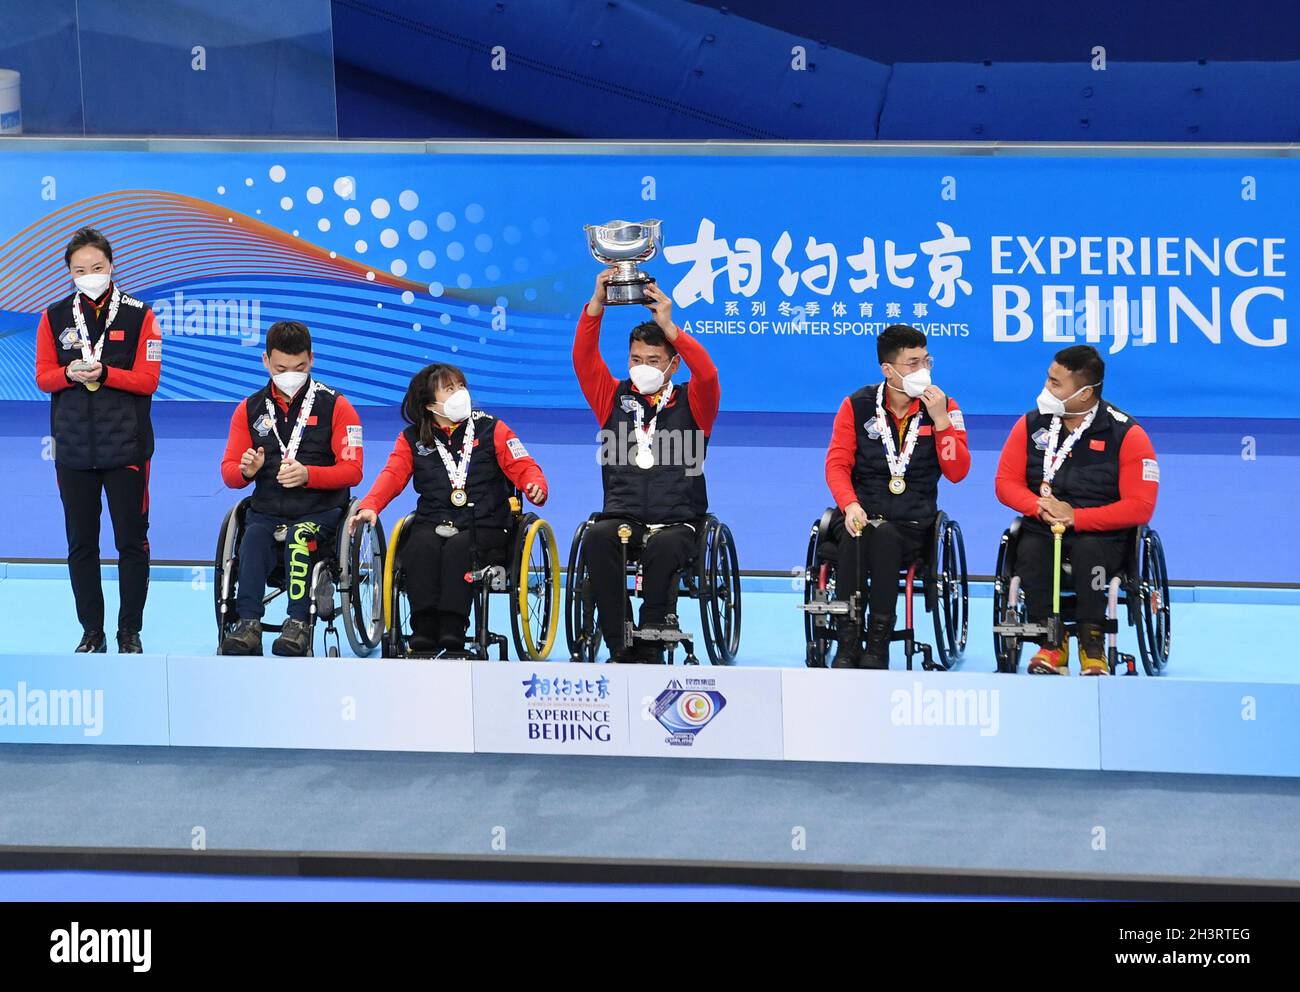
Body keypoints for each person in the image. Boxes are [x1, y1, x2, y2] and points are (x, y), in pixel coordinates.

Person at [573, 268, 720, 663]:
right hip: (622, 515)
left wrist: (670, 327)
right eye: (636, 359)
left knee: (665, 547)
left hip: (678, 520)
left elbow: (707, 372)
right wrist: (597, 305)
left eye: (654, 360)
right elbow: (584, 359)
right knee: (598, 538)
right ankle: (620, 641)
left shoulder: (695, 402)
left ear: (673, 364)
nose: (643, 367)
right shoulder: (611, 397)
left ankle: (651, 637)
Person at [351, 363, 548, 656]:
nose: (460, 393)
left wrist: (534, 485)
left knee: (460, 548)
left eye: (460, 386)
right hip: (433, 520)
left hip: (485, 524)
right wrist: (370, 506)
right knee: (419, 545)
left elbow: (523, 464)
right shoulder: (411, 438)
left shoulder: (492, 428)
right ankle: (424, 627)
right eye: (449, 388)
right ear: (430, 405)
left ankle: (453, 627)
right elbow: (392, 475)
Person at [994, 345, 1160, 676]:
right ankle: (1051, 642)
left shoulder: (1128, 434)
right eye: (1048, 378)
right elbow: (1005, 483)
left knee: (1088, 551)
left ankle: (1092, 641)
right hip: (1042, 525)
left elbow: (1141, 507)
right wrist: (1039, 507)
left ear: (1085, 394)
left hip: (1101, 534)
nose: (1046, 388)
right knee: (1031, 551)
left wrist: (1077, 517)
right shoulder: (1029, 425)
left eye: (1056, 383)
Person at [34, 227, 163, 654]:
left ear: (111, 266)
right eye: (80, 270)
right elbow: (43, 377)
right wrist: (68, 373)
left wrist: (105, 373)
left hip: (127, 449)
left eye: (97, 267)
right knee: (81, 544)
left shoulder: (141, 316)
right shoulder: (53, 317)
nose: (89, 275)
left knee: (131, 542)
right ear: (69, 272)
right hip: (72, 451)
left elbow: (148, 381)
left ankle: (130, 631)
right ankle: (92, 631)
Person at [824, 324, 971, 668]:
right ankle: (847, 639)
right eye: (913, 363)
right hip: (861, 514)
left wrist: (941, 422)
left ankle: (878, 642)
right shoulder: (856, 405)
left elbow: (957, 472)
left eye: (926, 361)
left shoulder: (945, 406)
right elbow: (837, 464)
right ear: (888, 370)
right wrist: (850, 504)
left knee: (886, 536)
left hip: (912, 522)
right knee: (857, 535)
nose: (924, 371)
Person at [218, 321, 363, 656]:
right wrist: (246, 471)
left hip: (320, 511)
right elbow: (229, 473)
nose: (290, 376)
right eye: (281, 368)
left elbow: (353, 470)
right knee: (253, 538)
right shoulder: (249, 409)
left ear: (311, 359)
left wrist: (309, 475)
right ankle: (248, 623)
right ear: (265, 361)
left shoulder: (337, 406)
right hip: (268, 509)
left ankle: (298, 624)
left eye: (299, 367)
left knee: (300, 536)